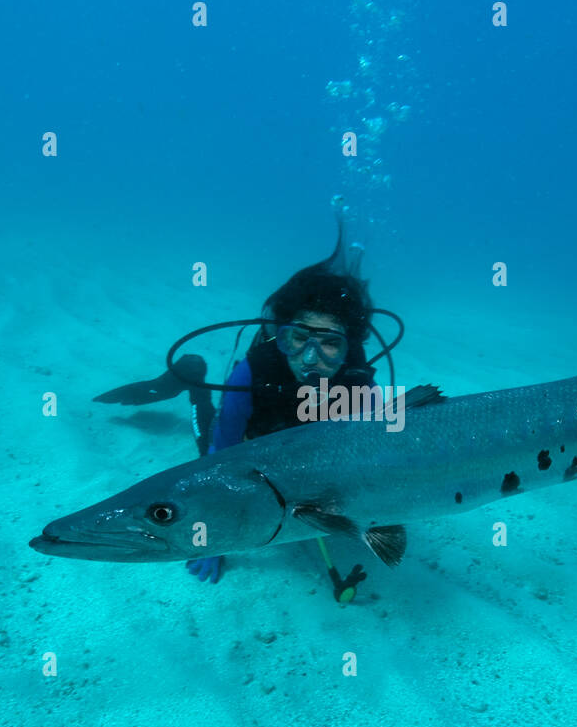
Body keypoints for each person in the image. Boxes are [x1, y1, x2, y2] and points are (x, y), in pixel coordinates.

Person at [94, 211, 386, 588]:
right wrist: (210, 543)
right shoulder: (254, 374)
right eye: (298, 339)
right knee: (208, 446)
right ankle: (193, 381)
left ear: (348, 349)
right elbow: (220, 455)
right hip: (252, 438)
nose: (312, 359)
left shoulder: (359, 388)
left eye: (330, 344)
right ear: (280, 337)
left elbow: (369, 462)